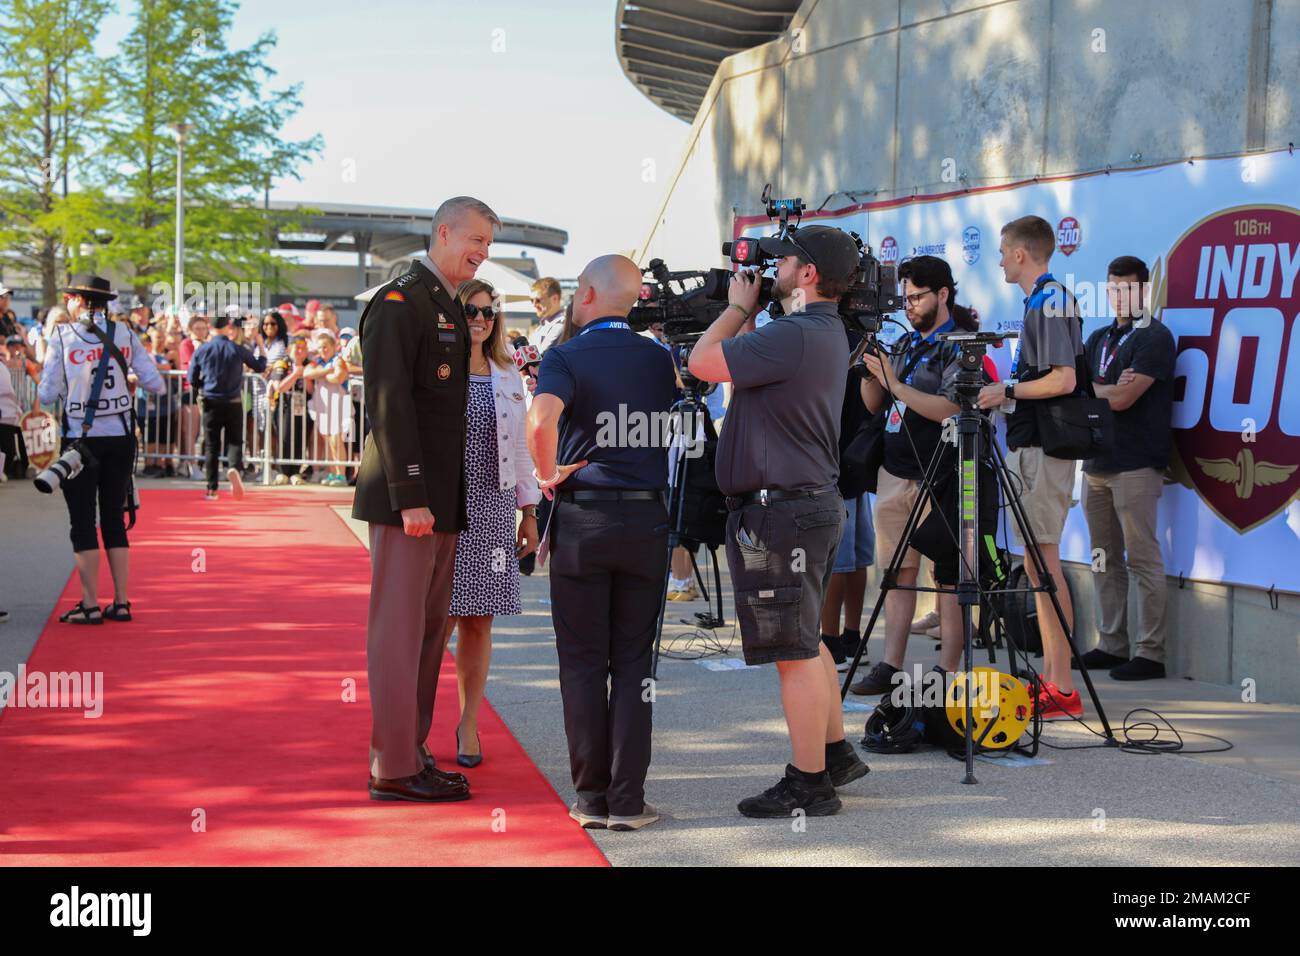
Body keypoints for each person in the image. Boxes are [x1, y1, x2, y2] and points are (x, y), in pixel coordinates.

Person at [688, 224, 869, 818]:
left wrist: (739, 308)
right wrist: (750, 314)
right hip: (800, 505)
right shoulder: (815, 331)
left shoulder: (794, 333)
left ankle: (808, 782)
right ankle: (834, 753)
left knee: (792, 653)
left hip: (781, 513)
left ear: (809, 274)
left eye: (783, 261)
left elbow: (702, 362)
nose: (773, 270)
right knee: (807, 639)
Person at [352, 195, 500, 804]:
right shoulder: (400, 299)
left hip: (439, 501)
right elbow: (388, 402)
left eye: (488, 247)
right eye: (475, 241)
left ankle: (411, 751)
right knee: (400, 631)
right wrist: (411, 494)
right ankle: (392, 763)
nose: (481, 255)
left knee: (428, 632)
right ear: (443, 232)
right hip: (408, 501)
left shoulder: (441, 302)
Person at [527, 254, 676, 831]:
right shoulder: (661, 358)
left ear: (586, 294)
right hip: (646, 522)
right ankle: (629, 803)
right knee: (636, 662)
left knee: (583, 663)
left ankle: (591, 799)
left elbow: (541, 420)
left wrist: (546, 475)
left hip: (584, 521)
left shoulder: (565, 354)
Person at [851, 256, 977, 693]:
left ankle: (947, 670)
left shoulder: (960, 344)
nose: (909, 306)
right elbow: (874, 405)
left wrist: (898, 385)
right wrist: (872, 371)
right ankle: (890, 665)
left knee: (948, 575)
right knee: (897, 573)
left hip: (940, 474)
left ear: (943, 294)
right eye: (904, 298)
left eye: (917, 297)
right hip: (894, 469)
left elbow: (951, 409)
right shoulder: (905, 343)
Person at [977, 215, 1085, 719]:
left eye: (1002, 251)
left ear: (1021, 254)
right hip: (1031, 444)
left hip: (1047, 448)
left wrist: (1009, 390)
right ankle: (1054, 677)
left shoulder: (1053, 299)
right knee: (1038, 562)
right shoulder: (1039, 300)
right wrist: (1006, 396)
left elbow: (1063, 381)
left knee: (1045, 562)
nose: (998, 259)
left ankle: (1061, 683)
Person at [444, 278, 540, 767]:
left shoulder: (507, 372)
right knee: (433, 624)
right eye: (469, 310)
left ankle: (468, 724)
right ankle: (415, 725)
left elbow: (522, 448)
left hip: (493, 506)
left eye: (487, 311)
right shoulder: (437, 370)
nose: (479, 319)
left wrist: (529, 512)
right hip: (444, 508)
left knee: (478, 623)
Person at [37, 275, 164, 624]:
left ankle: (90, 604)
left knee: (82, 519)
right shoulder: (125, 334)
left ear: (75, 299)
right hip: (121, 437)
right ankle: (121, 601)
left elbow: (47, 394)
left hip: (81, 439)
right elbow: (156, 383)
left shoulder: (62, 337)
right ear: (105, 302)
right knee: (113, 516)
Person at [1079, 256, 1175, 680]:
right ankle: (1112, 643)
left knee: (1142, 559)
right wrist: (1105, 388)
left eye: (1129, 289)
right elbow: (1080, 392)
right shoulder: (1099, 337)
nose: (1120, 296)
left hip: (1137, 463)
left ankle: (1151, 653)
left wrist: (1099, 391)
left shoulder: (1154, 337)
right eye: (1114, 288)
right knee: (1102, 559)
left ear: (1144, 291)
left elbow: (1121, 400)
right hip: (1096, 462)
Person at [188, 310, 266, 501]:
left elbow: (191, 377)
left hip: (211, 400)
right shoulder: (236, 348)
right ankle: (233, 466)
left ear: (210, 327)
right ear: (228, 327)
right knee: (235, 441)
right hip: (233, 401)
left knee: (212, 445)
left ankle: (212, 488)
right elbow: (259, 366)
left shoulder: (203, 349)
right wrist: (262, 348)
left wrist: (201, 387)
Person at [304, 328, 351, 485]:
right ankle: (332, 472)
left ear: (333, 346)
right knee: (328, 439)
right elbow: (307, 373)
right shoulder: (318, 361)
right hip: (323, 406)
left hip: (338, 403)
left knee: (337, 439)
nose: (322, 350)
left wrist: (321, 374)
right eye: (320, 347)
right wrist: (325, 371)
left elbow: (337, 377)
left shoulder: (338, 359)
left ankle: (341, 474)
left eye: (325, 346)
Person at [270, 332, 315, 484]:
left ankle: (296, 471)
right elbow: (280, 387)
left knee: (300, 437)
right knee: (284, 436)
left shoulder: (310, 364)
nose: (300, 351)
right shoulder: (282, 363)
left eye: (303, 348)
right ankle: (282, 472)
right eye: (297, 348)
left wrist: (306, 374)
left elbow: (310, 390)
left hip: (303, 406)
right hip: (285, 405)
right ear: (289, 349)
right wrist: (296, 374)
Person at [527, 277, 565, 354]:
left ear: (555, 298)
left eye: (538, 300)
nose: (534, 304)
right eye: (531, 300)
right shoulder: (540, 327)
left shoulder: (562, 325)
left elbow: (542, 358)